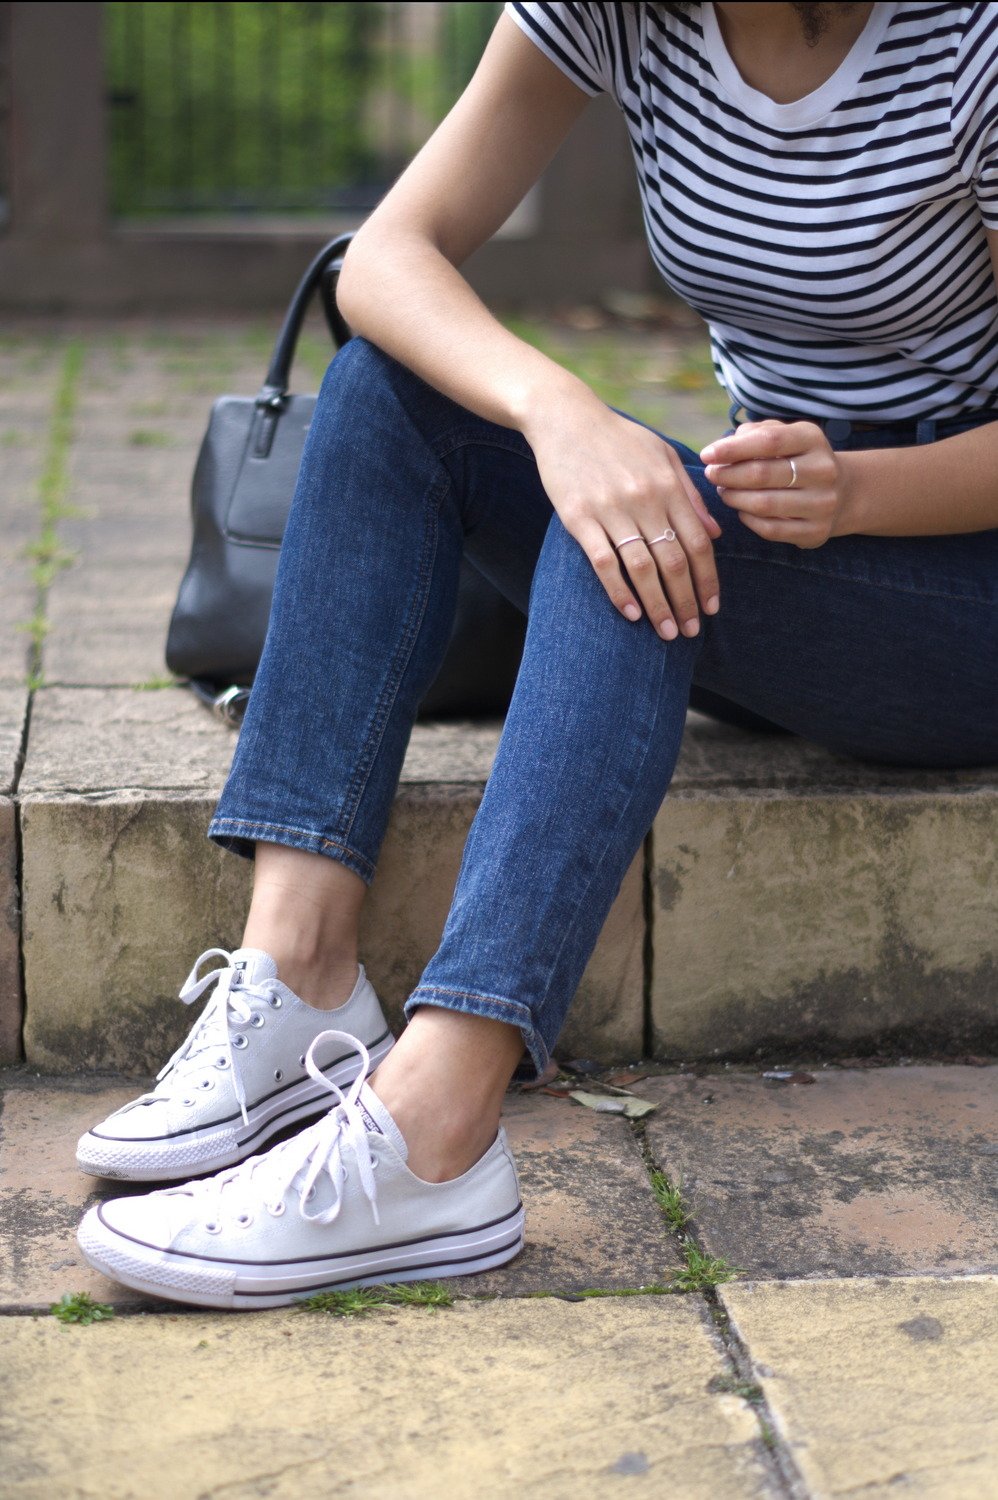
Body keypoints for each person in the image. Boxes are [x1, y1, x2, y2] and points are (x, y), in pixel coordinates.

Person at [77, 1, 998, 1308]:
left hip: (955, 594)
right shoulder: (619, 9)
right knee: (398, 398)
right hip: (774, 546)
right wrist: (560, 413)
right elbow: (387, 257)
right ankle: (299, 980)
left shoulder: (967, 42)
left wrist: (855, 494)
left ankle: (437, 1128)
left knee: (642, 517)